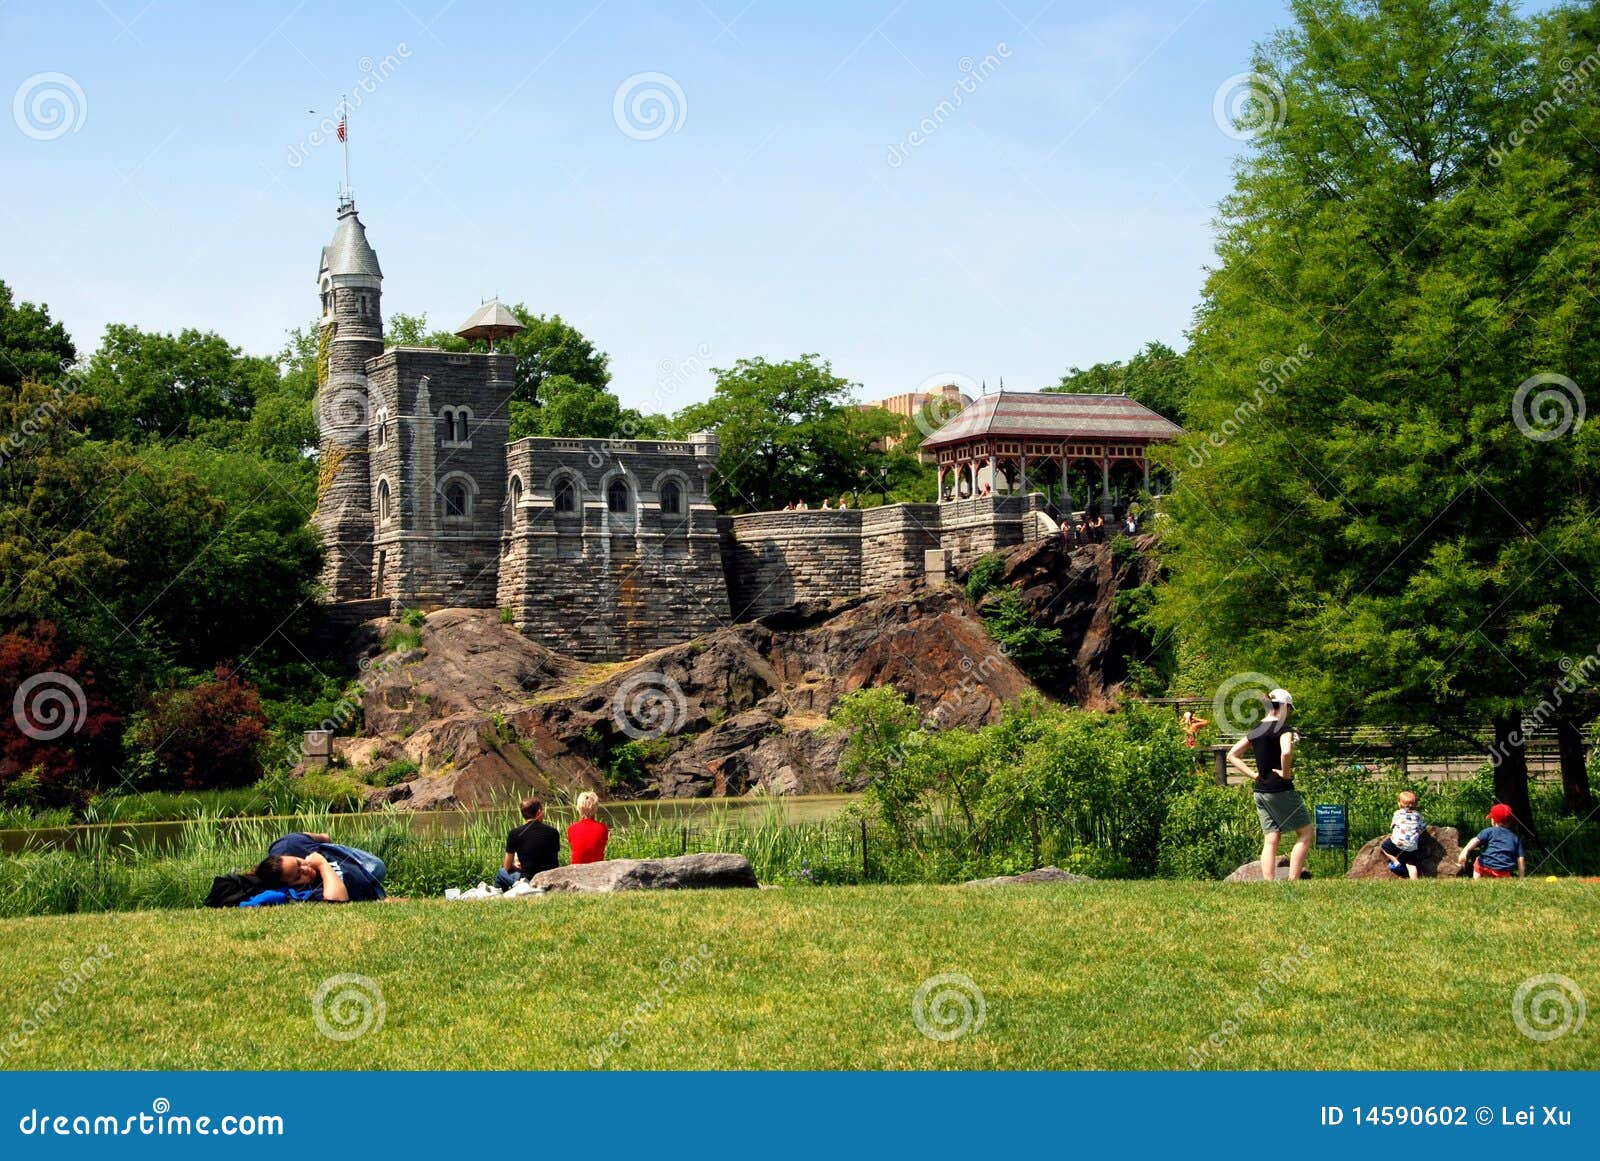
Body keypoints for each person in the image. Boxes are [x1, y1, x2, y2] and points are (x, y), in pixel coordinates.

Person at [1227, 687, 1313, 881]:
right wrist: (1286, 773)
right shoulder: (1283, 729)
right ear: (1282, 707)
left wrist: (1253, 775)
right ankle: (1293, 879)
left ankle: (1268, 882)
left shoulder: (1256, 730)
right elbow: (1286, 752)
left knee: (1271, 838)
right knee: (1306, 833)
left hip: (1260, 791)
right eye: (1289, 709)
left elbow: (1232, 754)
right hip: (1280, 789)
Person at [253, 832, 387, 903]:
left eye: (299, 862)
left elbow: (324, 837)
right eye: (298, 876)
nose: (305, 869)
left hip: (359, 863)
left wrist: (324, 842)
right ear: (289, 885)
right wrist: (322, 864)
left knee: (378, 867)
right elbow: (337, 903)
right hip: (369, 890)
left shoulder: (289, 844)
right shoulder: (307, 892)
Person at [498, 797, 560, 890]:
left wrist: (515, 866)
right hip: (550, 878)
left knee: (501, 872)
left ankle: (501, 895)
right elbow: (552, 858)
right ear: (539, 812)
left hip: (528, 880)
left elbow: (506, 867)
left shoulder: (514, 833)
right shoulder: (553, 832)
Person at [1458, 804, 1526, 879]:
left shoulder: (1489, 831)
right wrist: (1521, 877)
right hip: (1503, 872)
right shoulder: (1516, 838)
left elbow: (1475, 840)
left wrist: (1465, 850)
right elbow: (1521, 859)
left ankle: (1476, 880)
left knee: (1478, 860)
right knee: (1508, 874)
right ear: (1510, 822)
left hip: (1485, 868)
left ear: (1493, 821)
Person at [1381, 790, 1426, 879]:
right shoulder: (1418, 815)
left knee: (1384, 847)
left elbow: (1393, 826)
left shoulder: (1397, 813)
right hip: (1412, 846)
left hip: (1398, 843)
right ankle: (1415, 881)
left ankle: (1396, 862)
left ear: (1399, 804)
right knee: (1411, 864)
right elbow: (1422, 828)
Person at [567, 790, 610, 865]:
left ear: (578, 807)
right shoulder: (603, 828)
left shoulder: (571, 828)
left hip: (576, 869)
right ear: (595, 808)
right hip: (597, 868)